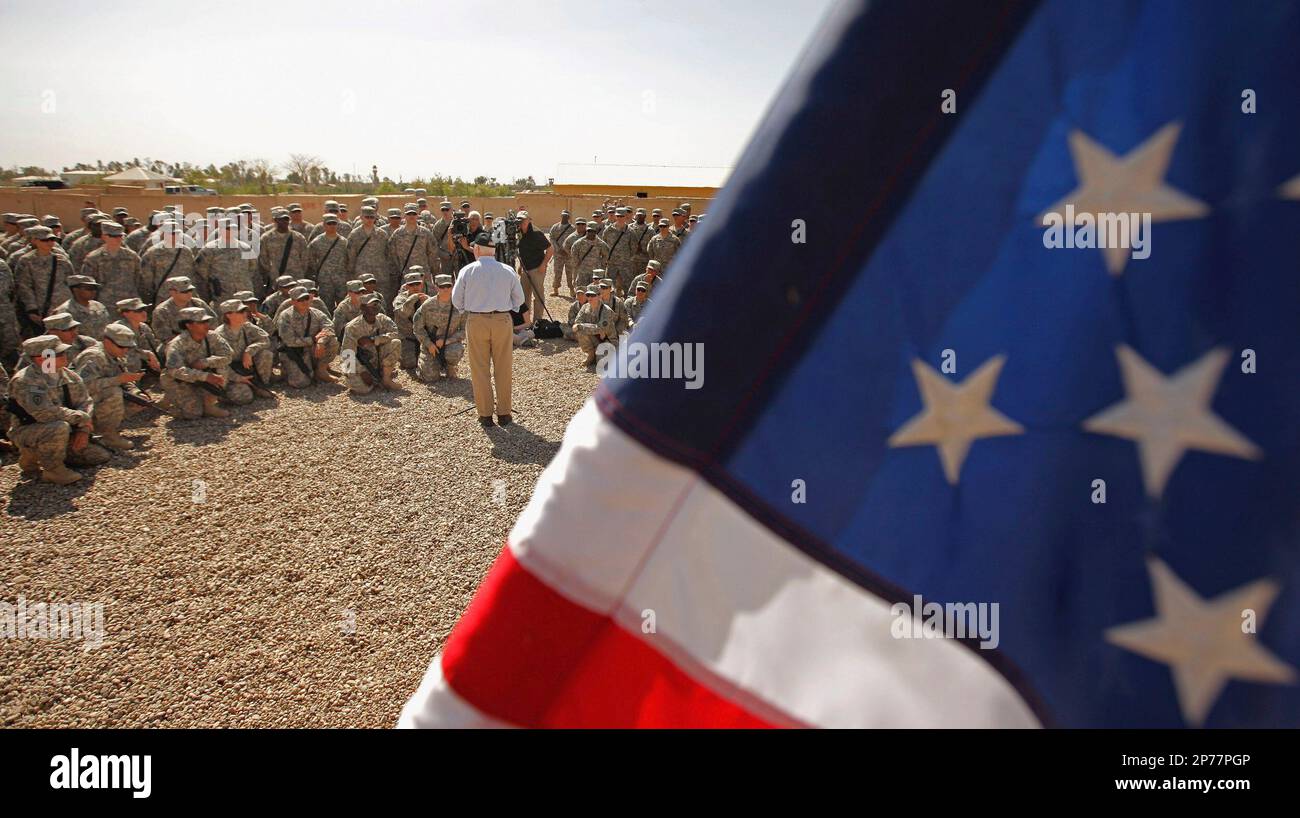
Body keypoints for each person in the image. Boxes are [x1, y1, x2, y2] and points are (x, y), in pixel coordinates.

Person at [7, 334, 110, 484]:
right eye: (59, 353)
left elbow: (85, 402)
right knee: (59, 427)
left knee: (99, 456)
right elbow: (45, 414)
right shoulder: (27, 381)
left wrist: (83, 430)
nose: (65, 355)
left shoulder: (69, 375)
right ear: (42, 358)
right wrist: (81, 419)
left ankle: (45, 454)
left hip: (69, 427)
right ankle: (52, 470)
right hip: (30, 430)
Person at [450, 233, 524, 427]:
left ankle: (485, 415)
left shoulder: (467, 270)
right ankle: (504, 413)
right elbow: (520, 300)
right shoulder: (507, 270)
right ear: (493, 250)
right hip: (502, 320)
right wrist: (507, 308)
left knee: (480, 368)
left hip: (477, 320)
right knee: (503, 367)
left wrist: (467, 308)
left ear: (477, 250)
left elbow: (456, 298)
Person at [72, 323, 141, 450]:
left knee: (135, 400)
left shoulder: (114, 355)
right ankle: (108, 435)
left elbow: (124, 377)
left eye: (128, 347)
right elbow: (82, 387)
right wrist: (117, 380)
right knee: (113, 393)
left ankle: (103, 427)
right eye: (121, 346)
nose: (125, 350)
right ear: (107, 341)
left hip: (96, 397)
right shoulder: (93, 357)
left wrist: (135, 392)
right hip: (81, 403)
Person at [161, 306, 231, 419]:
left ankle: (209, 405)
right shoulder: (176, 344)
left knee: (223, 367)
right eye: (201, 322)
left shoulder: (212, 337)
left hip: (201, 377)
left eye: (207, 321)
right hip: (180, 380)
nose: (206, 325)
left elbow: (228, 355)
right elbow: (174, 370)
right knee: (193, 414)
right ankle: (171, 400)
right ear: (188, 325)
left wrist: (206, 362)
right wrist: (205, 376)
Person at [274, 286, 339, 387]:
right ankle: (287, 370)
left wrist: (321, 341)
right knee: (300, 383)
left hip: (312, 348)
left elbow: (329, 326)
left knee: (332, 341)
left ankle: (321, 370)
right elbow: (289, 341)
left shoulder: (316, 313)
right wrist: (313, 339)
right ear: (293, 302)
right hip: (294, 351)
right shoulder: (285, 316)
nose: (305, 302)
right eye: (300, 300)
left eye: (306, 298)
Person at [215, 299, 275, 402]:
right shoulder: (219, 335)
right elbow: (220, 365)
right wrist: (238, 378)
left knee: (265, 354)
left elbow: (265, 339)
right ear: (228, 315)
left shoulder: (246, 326)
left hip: (245, 366)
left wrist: (249, 351)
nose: (245, 314)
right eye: (240, 312)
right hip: (230, 371)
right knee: (245, 397)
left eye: (245, 311)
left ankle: (261, 385)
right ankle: (223, 394)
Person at [79, 222, 141, 319]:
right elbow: (88, 284)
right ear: (104, 236)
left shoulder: (132, 256)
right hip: (106, 304)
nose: (118, 239)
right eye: (113, 236)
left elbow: (139, 278)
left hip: (130, 303)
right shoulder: (93, 258)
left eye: (120, 236)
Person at [340, 293, 400, 394]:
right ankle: (372, 376)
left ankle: (386, 378)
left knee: (396, 343)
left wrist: (374, 340)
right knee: (363, 389)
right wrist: (362, 371)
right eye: (372, 305)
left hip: (376, 359)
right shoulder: (352, 327)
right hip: (358, 362)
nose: (376, 307)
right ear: (363, 308)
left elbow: (396, 334)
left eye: (377, 304)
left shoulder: (383, 319)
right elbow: (347, 354)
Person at [412, 274, 464, 381]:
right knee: (430, 378)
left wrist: (447, 341)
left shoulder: (459, 305)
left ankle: (450, 366)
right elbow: (417, 328)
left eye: (448, 286)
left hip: (449, 344)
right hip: (431, 345)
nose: (445, 289)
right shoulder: (427, 305)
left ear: (453, 286)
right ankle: (427, 365)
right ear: (436, 287)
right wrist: (428, 344)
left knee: (455, 351)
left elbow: (465, 330)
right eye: (442, 287)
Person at [514, 210, 553, 321]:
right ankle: (526, 321)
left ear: (529, 220)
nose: (521, 223)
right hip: (525, 268)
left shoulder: (537, 233)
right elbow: (522, 250)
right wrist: (521, 265)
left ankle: (537, 321)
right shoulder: (519, 233)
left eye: (523, 220)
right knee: (524, 296)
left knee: (538, 296)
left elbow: (550, 249)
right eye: (519, 220)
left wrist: (543, 264)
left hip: (537, 268)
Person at [53, 275, 111, 341]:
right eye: (89, 288)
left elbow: (107, 328)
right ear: (75, 290)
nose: (93, 291)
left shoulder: (99, 306)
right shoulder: (64, 311)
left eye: (95, 288)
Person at [571, 284, 616, 368]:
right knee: (579, 331)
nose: (590, 298)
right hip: (595, 337)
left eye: (593, 295)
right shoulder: (585, 307)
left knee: (601, 364)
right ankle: (591, 354)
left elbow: (600, 328)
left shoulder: (606, 310)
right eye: (588, 295)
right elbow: (577, 322)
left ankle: (599, 353)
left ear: (599, 296)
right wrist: (593, 328)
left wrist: (582, 326)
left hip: (607, 340)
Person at [547, 210, 575, 296]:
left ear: (569, 217)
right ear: (561, 216)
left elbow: (574, 240)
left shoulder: (572, 228)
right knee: (557, 272)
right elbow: (552, 238)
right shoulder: (555, 227)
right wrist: (558, 249)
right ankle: (555, 289)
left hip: (568, 255)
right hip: (558, 254)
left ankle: (572, 290)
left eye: (566, 216)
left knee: (570, 273)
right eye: (563, 216)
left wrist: (567, 250)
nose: (564, 217)